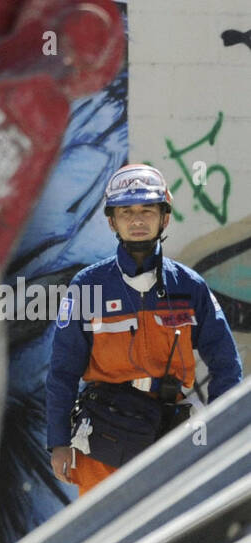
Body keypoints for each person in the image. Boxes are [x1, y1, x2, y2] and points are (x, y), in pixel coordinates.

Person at [48, 163, 242, 497]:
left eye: (147, 210)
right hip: (102, 439)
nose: (137, 220)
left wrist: (223, 433)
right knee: (101, 537)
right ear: (112, 221)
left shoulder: (189, 286)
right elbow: (63, 372)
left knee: (167, 538)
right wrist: (58, 443)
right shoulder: (87, 286)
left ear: (164, 217)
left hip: (168, 436)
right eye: (126, 212)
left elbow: (227, 365)